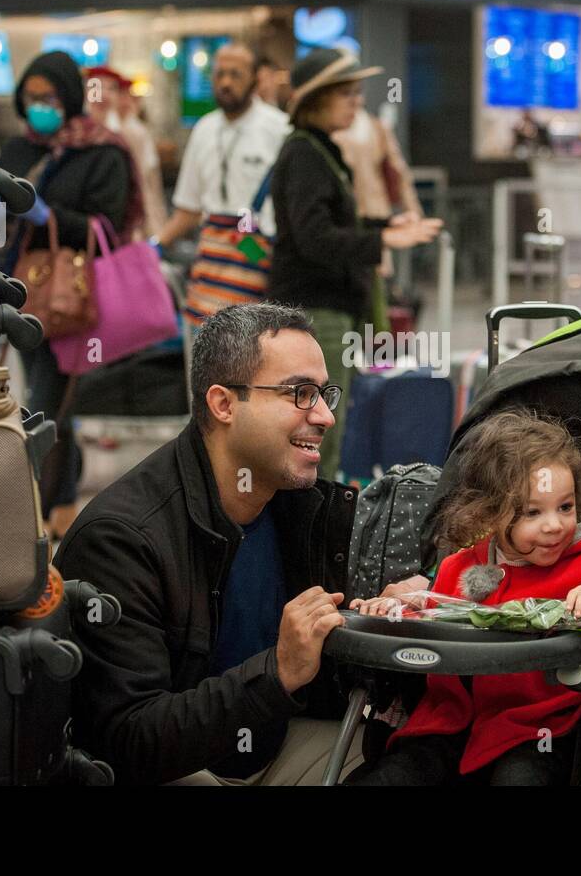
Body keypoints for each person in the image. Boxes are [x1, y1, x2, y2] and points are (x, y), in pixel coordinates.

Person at [55, 302, 365, 785]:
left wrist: (381, 618)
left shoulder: (299, 505)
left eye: (325, 393)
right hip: (175, 769)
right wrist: (276, 672)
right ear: (223, 404)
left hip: (272, 748)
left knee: (405, 752)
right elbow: (129, 739)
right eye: (300, 393)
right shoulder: (121, 538)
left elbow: (320, 679)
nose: (324, 416)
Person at [346, 411, 581, 786]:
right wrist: (399, 609)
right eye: (532, 511)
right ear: (490, 513)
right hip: (449, 723)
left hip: (537, 729)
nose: (554, 525)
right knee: (394, 775)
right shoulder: (460, 566)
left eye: (565, 506)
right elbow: (434, 611)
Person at [267, 47, 442, 481]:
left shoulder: (319, 149)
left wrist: (383, 223)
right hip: (316, 309)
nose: (357, 101)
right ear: (317, 99)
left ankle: (317, 514)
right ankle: (313, 520)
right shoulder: (305, 154)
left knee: (325, 419)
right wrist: (382, 238)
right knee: (318, 421)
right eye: (347, 93)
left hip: (327, 307)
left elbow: (330, 222)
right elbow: (315, 238)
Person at [0, 50, 143, 539]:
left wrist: (48, 215)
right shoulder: (19, 149)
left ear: (71, 98)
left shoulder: (103, 150)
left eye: (50, 97)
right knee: (45, 397)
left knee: (49, 399)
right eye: (31, 97)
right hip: (20, 292)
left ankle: (39, 508)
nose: (40, 106)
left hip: (73, 298)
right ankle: (56, 501)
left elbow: (109, 226)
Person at [155, 42, 290, 323]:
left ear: (256, 79)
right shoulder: (204, 129)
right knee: (208, 342)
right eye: (219, 75)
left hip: (256, 250)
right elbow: (188, 209)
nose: (226, 82)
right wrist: (154, 245)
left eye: (236, 74)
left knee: (252, 340)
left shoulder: (279, 128)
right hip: (211, 255)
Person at [84, 65, 168, 239]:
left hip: (122, 223)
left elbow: (145, 184)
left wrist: (154, 227)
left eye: (111, 89)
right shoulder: (76, 133)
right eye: (96, 88)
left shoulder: (129, 133)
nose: (103, 95)